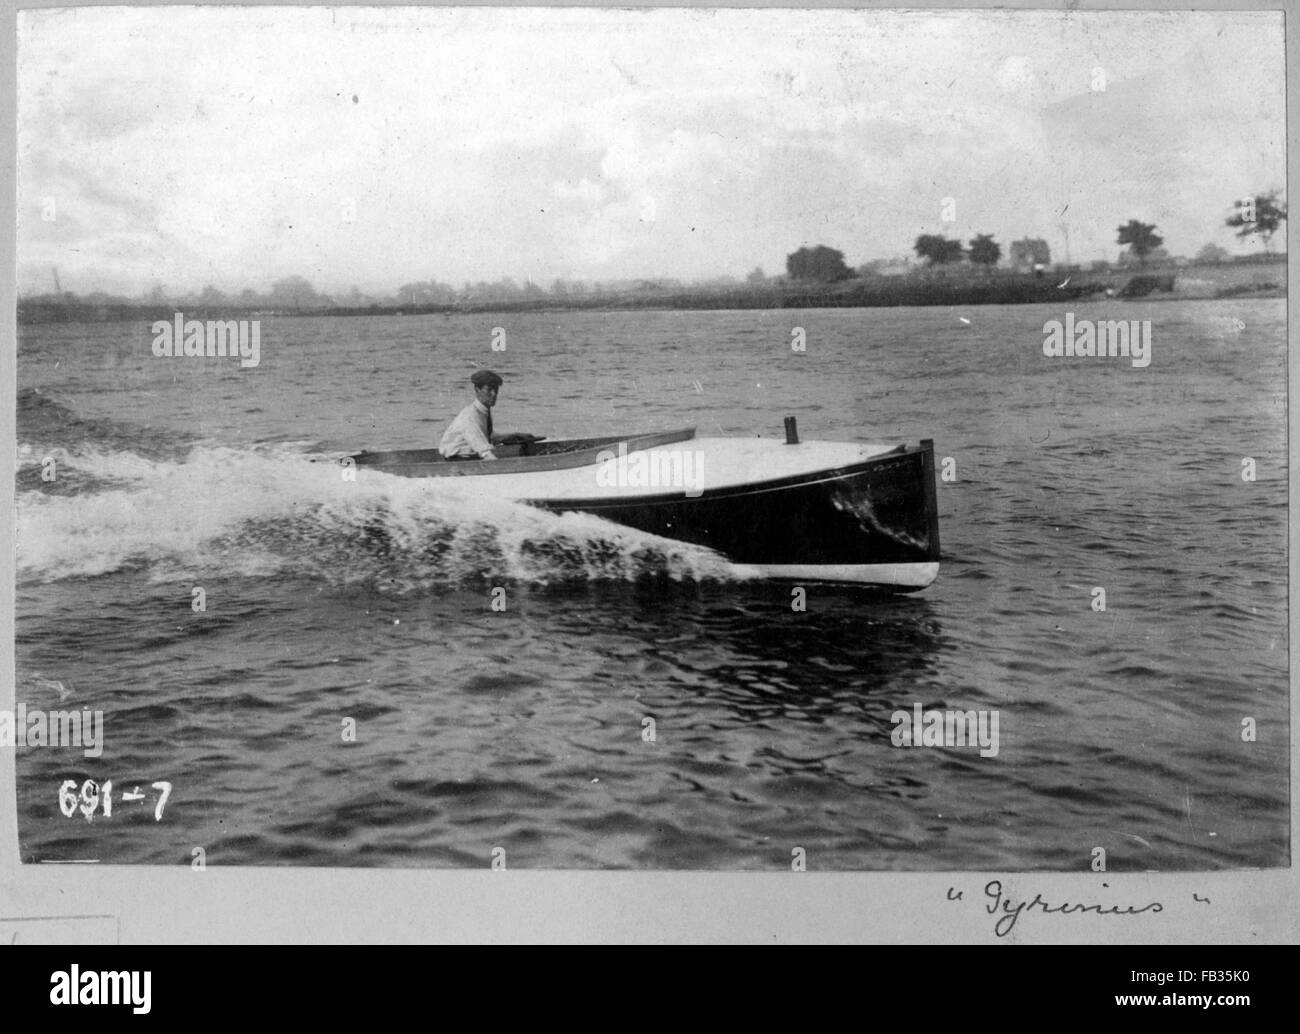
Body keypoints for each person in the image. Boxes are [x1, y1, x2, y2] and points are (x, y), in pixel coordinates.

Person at [439, 369, 503, 460]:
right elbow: (484, 451)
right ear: (477, 390)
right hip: (458, 461)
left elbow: (489, 436)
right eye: (489, 390)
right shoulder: (470, 416)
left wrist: (515, 436)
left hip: (471, 456)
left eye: (496, 389)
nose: (494, 394)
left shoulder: (483, 411)